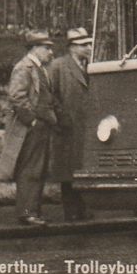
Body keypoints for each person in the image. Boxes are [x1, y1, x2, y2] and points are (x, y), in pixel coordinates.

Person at [0, 30, 57, 226]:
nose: (50, 52)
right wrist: (31, 120)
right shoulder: (24, 67)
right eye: (46, 48)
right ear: (34, 48)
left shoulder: (40, 68)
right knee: (30, 169)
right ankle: (27, 213)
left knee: (37, 169)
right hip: (31, 127)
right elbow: (16, 96)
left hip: (41, 126)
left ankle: (33, 211)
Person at [49, 27, 92, 221]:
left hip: (83, 127)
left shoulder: (89, 66)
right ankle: (71, 210)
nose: (89, 48)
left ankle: (81, 208)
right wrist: (61, 117)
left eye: (89, 44)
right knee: (67, 171)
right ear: (73, 47)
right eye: (84, 45)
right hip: (66, 126)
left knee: (81, 168)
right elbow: (50, 94)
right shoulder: (58, 66)